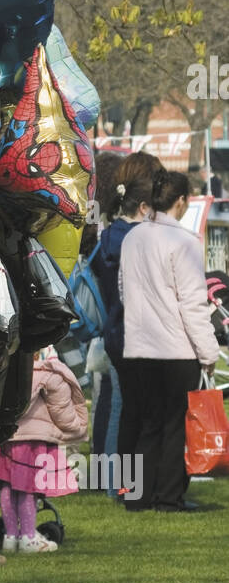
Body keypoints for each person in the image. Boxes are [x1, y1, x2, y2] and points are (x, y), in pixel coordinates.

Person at [119, 169, 220, 512]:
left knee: (148, 424)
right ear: (181, 201)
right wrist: (209, 352)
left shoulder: (131, 238)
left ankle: (138, 494)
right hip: (176, 349)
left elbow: (123, 289)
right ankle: (168, 496)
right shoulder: (185, 242)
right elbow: (193, 303)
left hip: (138, 347)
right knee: (175, 425)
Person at [91, 151, 162, 500]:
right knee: (129, 409)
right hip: (131, 332)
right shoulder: (132, 240)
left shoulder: (112, 236)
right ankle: (122, 484)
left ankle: (112, 481)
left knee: (119, 405)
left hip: (117, 332)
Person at [0, 348, 88, 554]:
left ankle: (10, 535)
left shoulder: (3, 360)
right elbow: (61, 407)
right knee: (28, 488)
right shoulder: (48, 366)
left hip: (7, 436)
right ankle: (29, 536)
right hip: (34, 438)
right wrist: (75, 428)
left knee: (7, 485)